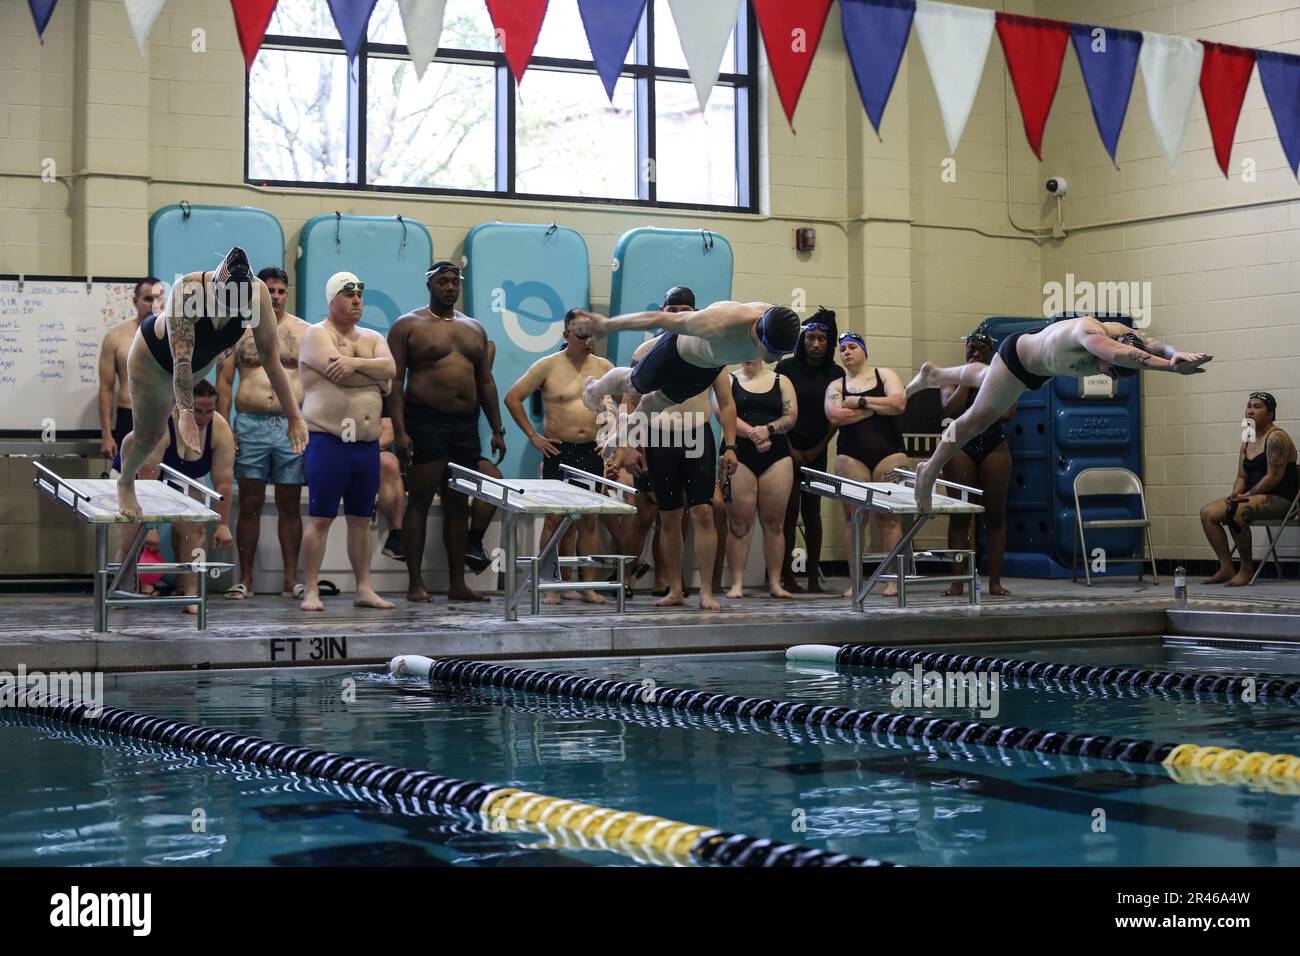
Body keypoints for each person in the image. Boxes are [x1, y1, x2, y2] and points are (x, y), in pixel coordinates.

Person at [904, 317, 1212, 511]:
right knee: (975, 421)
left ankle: (935, 374)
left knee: (987, 379)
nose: (1111, 377)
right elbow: (1121, 355)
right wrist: (1171, 369)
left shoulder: (1120, 333)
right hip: (1020, 361)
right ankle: (929, 470)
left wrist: (1174, 354)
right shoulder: (1090, 334)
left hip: (1039, 365)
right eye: (1112, 372)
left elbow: (1151, 343)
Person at [116, 247, 307, 520]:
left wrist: (294, 416)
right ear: (215, 289)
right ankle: (125, 480)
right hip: (153, 361)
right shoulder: (188, 290)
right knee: (150, 435)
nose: (230, 310)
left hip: (198, 362)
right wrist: (186, 413)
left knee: (166, 426)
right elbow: (180, 360)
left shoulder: (257, 295)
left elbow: (271, 361)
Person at [388, 261, 507, 604]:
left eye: (455, 282)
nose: (450, 287)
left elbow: (485, 381)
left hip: (464, 425)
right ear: (430, 286)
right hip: (425, 421)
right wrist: (399, 430)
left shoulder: (474, 329)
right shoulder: (407, 325)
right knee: (421, 501)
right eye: (443, 281)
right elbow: (395, 381)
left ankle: (458, 584)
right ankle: (415, 584)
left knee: (459, 505)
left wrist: (497, 428)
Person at [620, 304, 737, 609]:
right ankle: (674, 588)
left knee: (702, 512)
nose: (679, 313)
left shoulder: (710, 350)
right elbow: (629, 401)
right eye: (673, 309)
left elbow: (726, 404)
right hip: (659, 437)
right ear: (663, 311)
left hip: (697, 435)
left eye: (686, 309)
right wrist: (630, 444)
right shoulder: (647, 350)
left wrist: (731, 446)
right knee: (668, 516)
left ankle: (706, 591)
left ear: (696, 312)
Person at [297, 272, 396, 612]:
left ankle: (364, 589)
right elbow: (370, 373)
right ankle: (310, 589)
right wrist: (375, 376)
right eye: (348, 293)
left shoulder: (372, 336)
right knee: (321, 518)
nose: (356, 300)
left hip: (366, 445)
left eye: (359, 294)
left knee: (359, 519)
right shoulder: (315, 334)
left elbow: (391, 369)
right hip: (329, 441)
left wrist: (354, 363)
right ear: (332, 299)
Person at [504, 310, 614, 604]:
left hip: (591, 451)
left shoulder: (604, 367)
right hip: (560, 452)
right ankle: (550, 583)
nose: (589, 341)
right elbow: (512, 397)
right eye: (581, 335)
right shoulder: (547, 366)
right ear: (566, 335)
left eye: (592, 335)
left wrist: (613, 439)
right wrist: (533, 436)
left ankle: (587, 586)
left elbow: (622, 403)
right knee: (554, 519)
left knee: (589, 521)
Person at [216, 266, 311, 600]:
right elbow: (224, 383)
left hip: (289, 426)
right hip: (250, 423)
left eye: (281, 290)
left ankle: (290, 579)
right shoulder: (239, 330)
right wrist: (224, 428)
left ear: (288, 293)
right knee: (251, 501)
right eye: (269, 290)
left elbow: (315, 383)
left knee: (289, 503)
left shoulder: (305, 332)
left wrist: (304, 422)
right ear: (258, 294)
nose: (275, 296)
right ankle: (245, 579)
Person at [579, 301, 802, 415]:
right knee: (634, 385)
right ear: (761, 335)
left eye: (782, 354)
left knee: (657, 404)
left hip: (708, 368)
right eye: (773, 352)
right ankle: (594, 389)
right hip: (676, 353)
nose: (776, 359)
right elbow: (657, 318)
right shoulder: (718, 323)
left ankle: (620, 437)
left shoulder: (782, 325)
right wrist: (608, 324)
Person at [134, 380, 235, 613]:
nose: (204, 417)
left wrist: (223, 524)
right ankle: (121, 589)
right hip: (141, 478)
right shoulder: (164, 423)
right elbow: (147, 477)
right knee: (131, 537)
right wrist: (150, 526)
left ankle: (192, 595)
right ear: (183, 407)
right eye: (197, 411)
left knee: (196, 530)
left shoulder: (219, 429)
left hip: (182, 479)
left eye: (210, 411)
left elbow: (223, 482)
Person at [825, 331, 908, 597]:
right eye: (842, 349)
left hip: (889, 453)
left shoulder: (885, 375)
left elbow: (899, 403)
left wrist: (861, 402)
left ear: (864, 351)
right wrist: (876, 408)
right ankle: (856, 581)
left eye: (852, 347)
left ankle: (892, 580)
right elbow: (835, 415)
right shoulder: (836, 385)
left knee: (889, 518)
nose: (846, 352)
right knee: (855, 519)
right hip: (851, 455)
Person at [939, 328, 1015, 597]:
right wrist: (967, 380)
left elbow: (1006, 413)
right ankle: (957, 582)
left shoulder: (1003, 377)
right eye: (972, 347)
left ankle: (994, 582)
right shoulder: (951, 376)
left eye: (982, 348)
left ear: (991, 353)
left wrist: (985, 381)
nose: (976, 352)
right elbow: (951, 409)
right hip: (961, 446)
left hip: (994, 445)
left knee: (995, 516)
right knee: (959, 517)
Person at [1200, 391, 1299, 587]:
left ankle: (1246, 569)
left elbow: (1274, 476)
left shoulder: (1277, 438)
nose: (1250, 411)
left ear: (1270, 414)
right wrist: (1236, 493)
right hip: (1253, 495)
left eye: (1257, 407)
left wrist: (1247, 495)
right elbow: (1242, 476)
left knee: (1236, 511)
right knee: (1208, 513)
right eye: (1249, 406)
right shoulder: (1248, 436)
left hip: (1280, 499)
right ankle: (1226, 567)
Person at [776, 308, 841, 592]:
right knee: (789, 514)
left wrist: (819, 448)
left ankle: (814, 578)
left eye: (822, 339)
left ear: (830, 342)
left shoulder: (836, 373)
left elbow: (835, 418)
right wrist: (789, 448)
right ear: (802, 339)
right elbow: (776, 410)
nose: (816, 344)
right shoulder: (786, 368)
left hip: (817, 450)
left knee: (813, 514)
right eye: (811, 338)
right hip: (787, 450)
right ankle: (786, 576)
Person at [720, 359, 796, 600]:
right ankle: (737, 584)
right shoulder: (728, 380)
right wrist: (754, 434)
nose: (749, 357)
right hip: (738, 452)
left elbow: (791, 415)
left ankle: (775, 582)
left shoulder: (780, 380)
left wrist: (769, 429)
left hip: (776, 454)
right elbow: (723, 413)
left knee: (774, 525)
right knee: (738, 525)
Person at [100, 277, 164, 562]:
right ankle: (122, 577)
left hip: (161, 418)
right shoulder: (117, 337)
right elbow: (106, 388)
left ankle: (171, 582)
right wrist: (106, 433)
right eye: (146, 299)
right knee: (127, 506)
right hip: (128, 417)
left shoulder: (170, 335)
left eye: (156, 299)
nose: (152, 304)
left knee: (164, 496)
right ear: (135, 301)